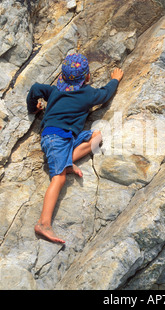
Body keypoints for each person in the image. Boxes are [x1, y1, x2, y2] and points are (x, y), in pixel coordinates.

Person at [26, 53, 124, 243]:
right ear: (87, 76)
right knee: (59, 178)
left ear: (62, 76)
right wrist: (115, 80)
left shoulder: (54, 90)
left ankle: (67, 162)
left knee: (97, 136)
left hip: (62, 137)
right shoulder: (87, 94)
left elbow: (35, 88)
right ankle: (43, 223)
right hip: (55, 139)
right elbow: (104, 94)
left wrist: (33, 107)